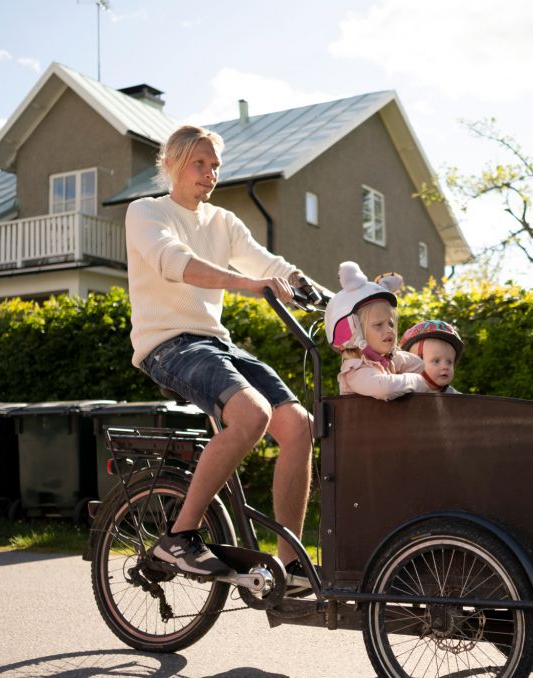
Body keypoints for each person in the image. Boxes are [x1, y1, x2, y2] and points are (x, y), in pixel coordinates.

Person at [125, 124, 315, 581]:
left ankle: (288, 565)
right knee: (251, 414)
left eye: (215, 166)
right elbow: (175, 263)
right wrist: (249, 284)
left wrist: (315, 289)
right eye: (200, 163)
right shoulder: (147, 213)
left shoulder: (223, 222)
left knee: (299, 426)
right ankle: (179, 537)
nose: (210, 174)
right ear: (171, 164)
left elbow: (265, 262)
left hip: (214, 343)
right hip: (168, 342)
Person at [325, 261, 431, 400]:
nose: (389, 330)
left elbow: (419, 365)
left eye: (391, 324)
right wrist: (417, 381)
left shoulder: (386, 361)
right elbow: (385, 389)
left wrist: (394, 355)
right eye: (378, 325)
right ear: (353, 332)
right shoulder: (355, 370)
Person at [400, 320, 464, 393]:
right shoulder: (402, 392)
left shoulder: (457, 398)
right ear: (414, 363)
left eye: (449, 362)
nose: (445, 367)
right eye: (436, 361)